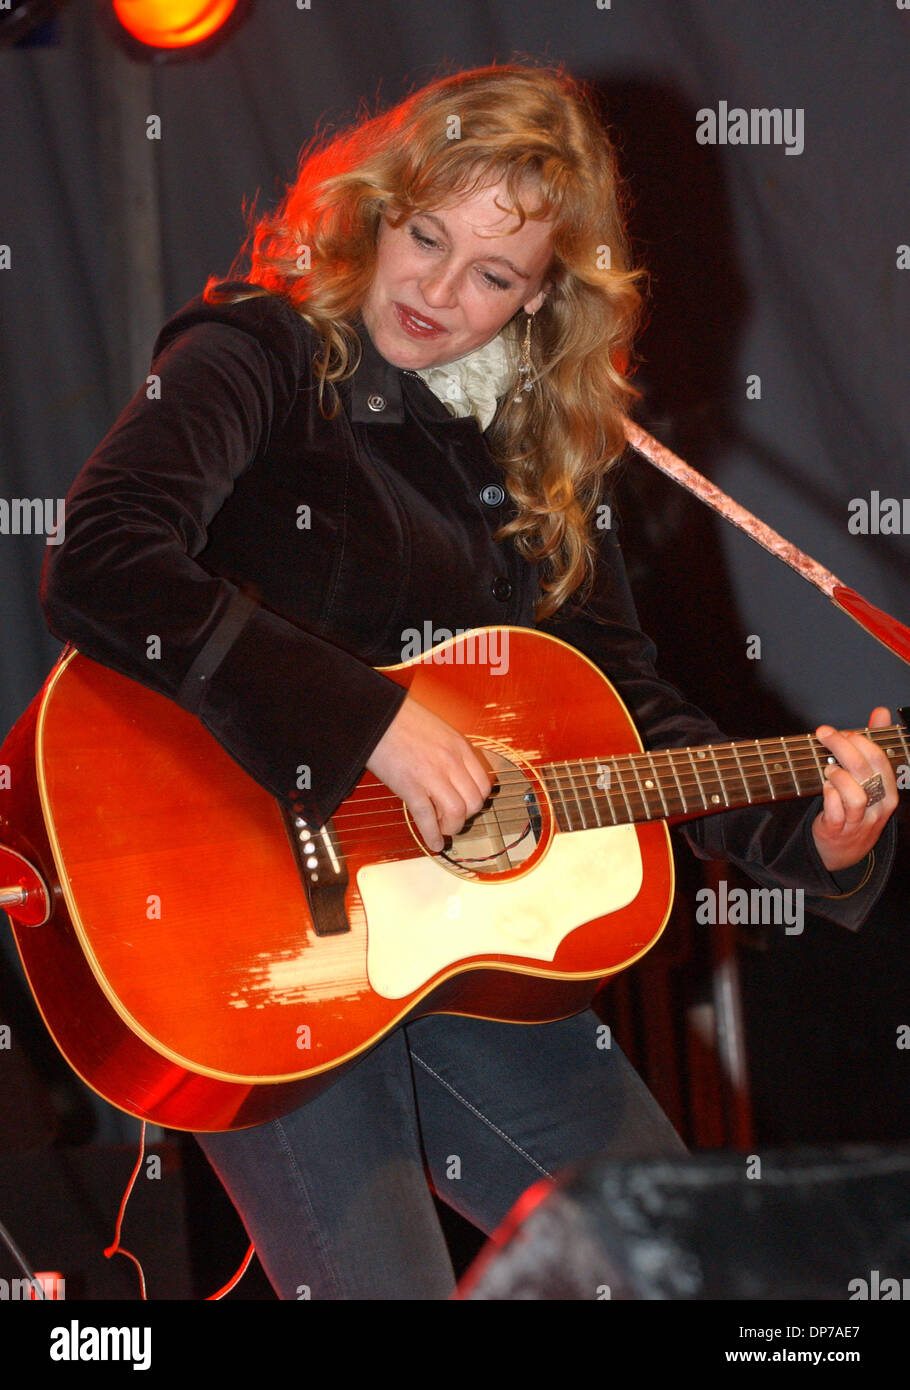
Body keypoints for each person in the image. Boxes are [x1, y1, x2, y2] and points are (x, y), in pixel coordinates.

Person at [40, 62, 899, 1300]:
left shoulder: (547, 454)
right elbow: (106, 558)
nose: (440, 292)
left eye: (493, 275)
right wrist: (373, 724)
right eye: (424, 236)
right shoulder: (261, 349)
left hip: (466, 960)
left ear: (551, 295)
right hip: (259, 930)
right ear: (375, 207)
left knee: (702, 1269)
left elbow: (629, 716)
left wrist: (813, 832)